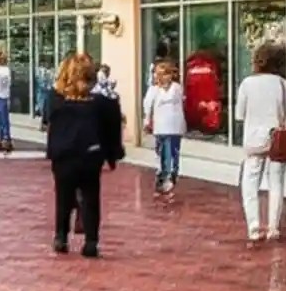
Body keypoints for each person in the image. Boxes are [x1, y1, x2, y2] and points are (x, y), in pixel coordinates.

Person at [46, 53, 124, 258]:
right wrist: (113, 155)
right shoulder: (101, 104)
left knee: (63, 197)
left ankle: (61, 237)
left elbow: (48, 116)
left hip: (63, 156)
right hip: (91, 156)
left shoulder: (57, 102)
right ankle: (91, 241)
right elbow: (112, 128)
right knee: (91, 198)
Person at [235, 43, 286, 244]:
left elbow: (240, 115)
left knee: (250, 183)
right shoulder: (285, 85)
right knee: (277, 183)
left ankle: (254, 227)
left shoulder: (247, 84)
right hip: (278, 140)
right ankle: (273, 227)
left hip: (254, 140)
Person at [143, 61, 186, 196]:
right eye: (159, 74)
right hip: (161, 127)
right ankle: (162, 178)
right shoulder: (154, 90)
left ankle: (171, 176)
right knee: (162, 153)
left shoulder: (177, 88)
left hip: (175, 127)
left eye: (165, 74)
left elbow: (178, 99)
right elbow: (147, 106)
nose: (162, 77)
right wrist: (147, 122)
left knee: (173, 153)